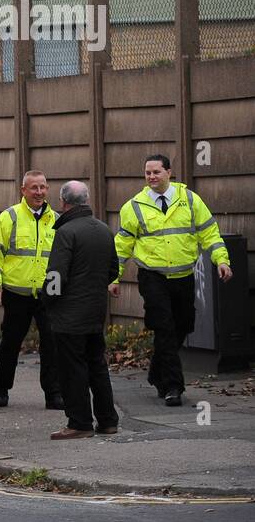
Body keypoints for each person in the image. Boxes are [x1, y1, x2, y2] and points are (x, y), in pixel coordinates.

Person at [111, 154, 231, 407]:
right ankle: (172, 386)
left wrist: (221, 260)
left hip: (183, 275)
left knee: (184, 324)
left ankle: (156, 372)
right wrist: (114, 277)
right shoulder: (134, 206)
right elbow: (122, 245)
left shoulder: (189, 200)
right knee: (164, 327)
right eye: (147, 173)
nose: (151, 177)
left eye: (156, 172)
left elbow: (209, 231)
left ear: (169, 172)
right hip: (152, 275)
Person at [43, 181, 119, 439]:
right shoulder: (104, 230)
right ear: (86, 200)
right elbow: (113, 271)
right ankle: (108, 420)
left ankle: (79, 423)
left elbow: (55, 277)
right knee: (97, 365)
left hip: (68, 316)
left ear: (64, 203)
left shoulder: (66, 232)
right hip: (96, 312)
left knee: (72, 369)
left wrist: (48, 303)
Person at [0, 170, 62, 410]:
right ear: (23, 190)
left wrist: (60, 290)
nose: (39, 192)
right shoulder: (10, 217)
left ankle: (53, 393)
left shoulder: (57, 220)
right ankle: (2, 388)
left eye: (43, 187)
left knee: (52, 344)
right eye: (34, 188)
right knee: (11, 343)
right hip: (17, 293)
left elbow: (61, 258)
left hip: (48, 293)